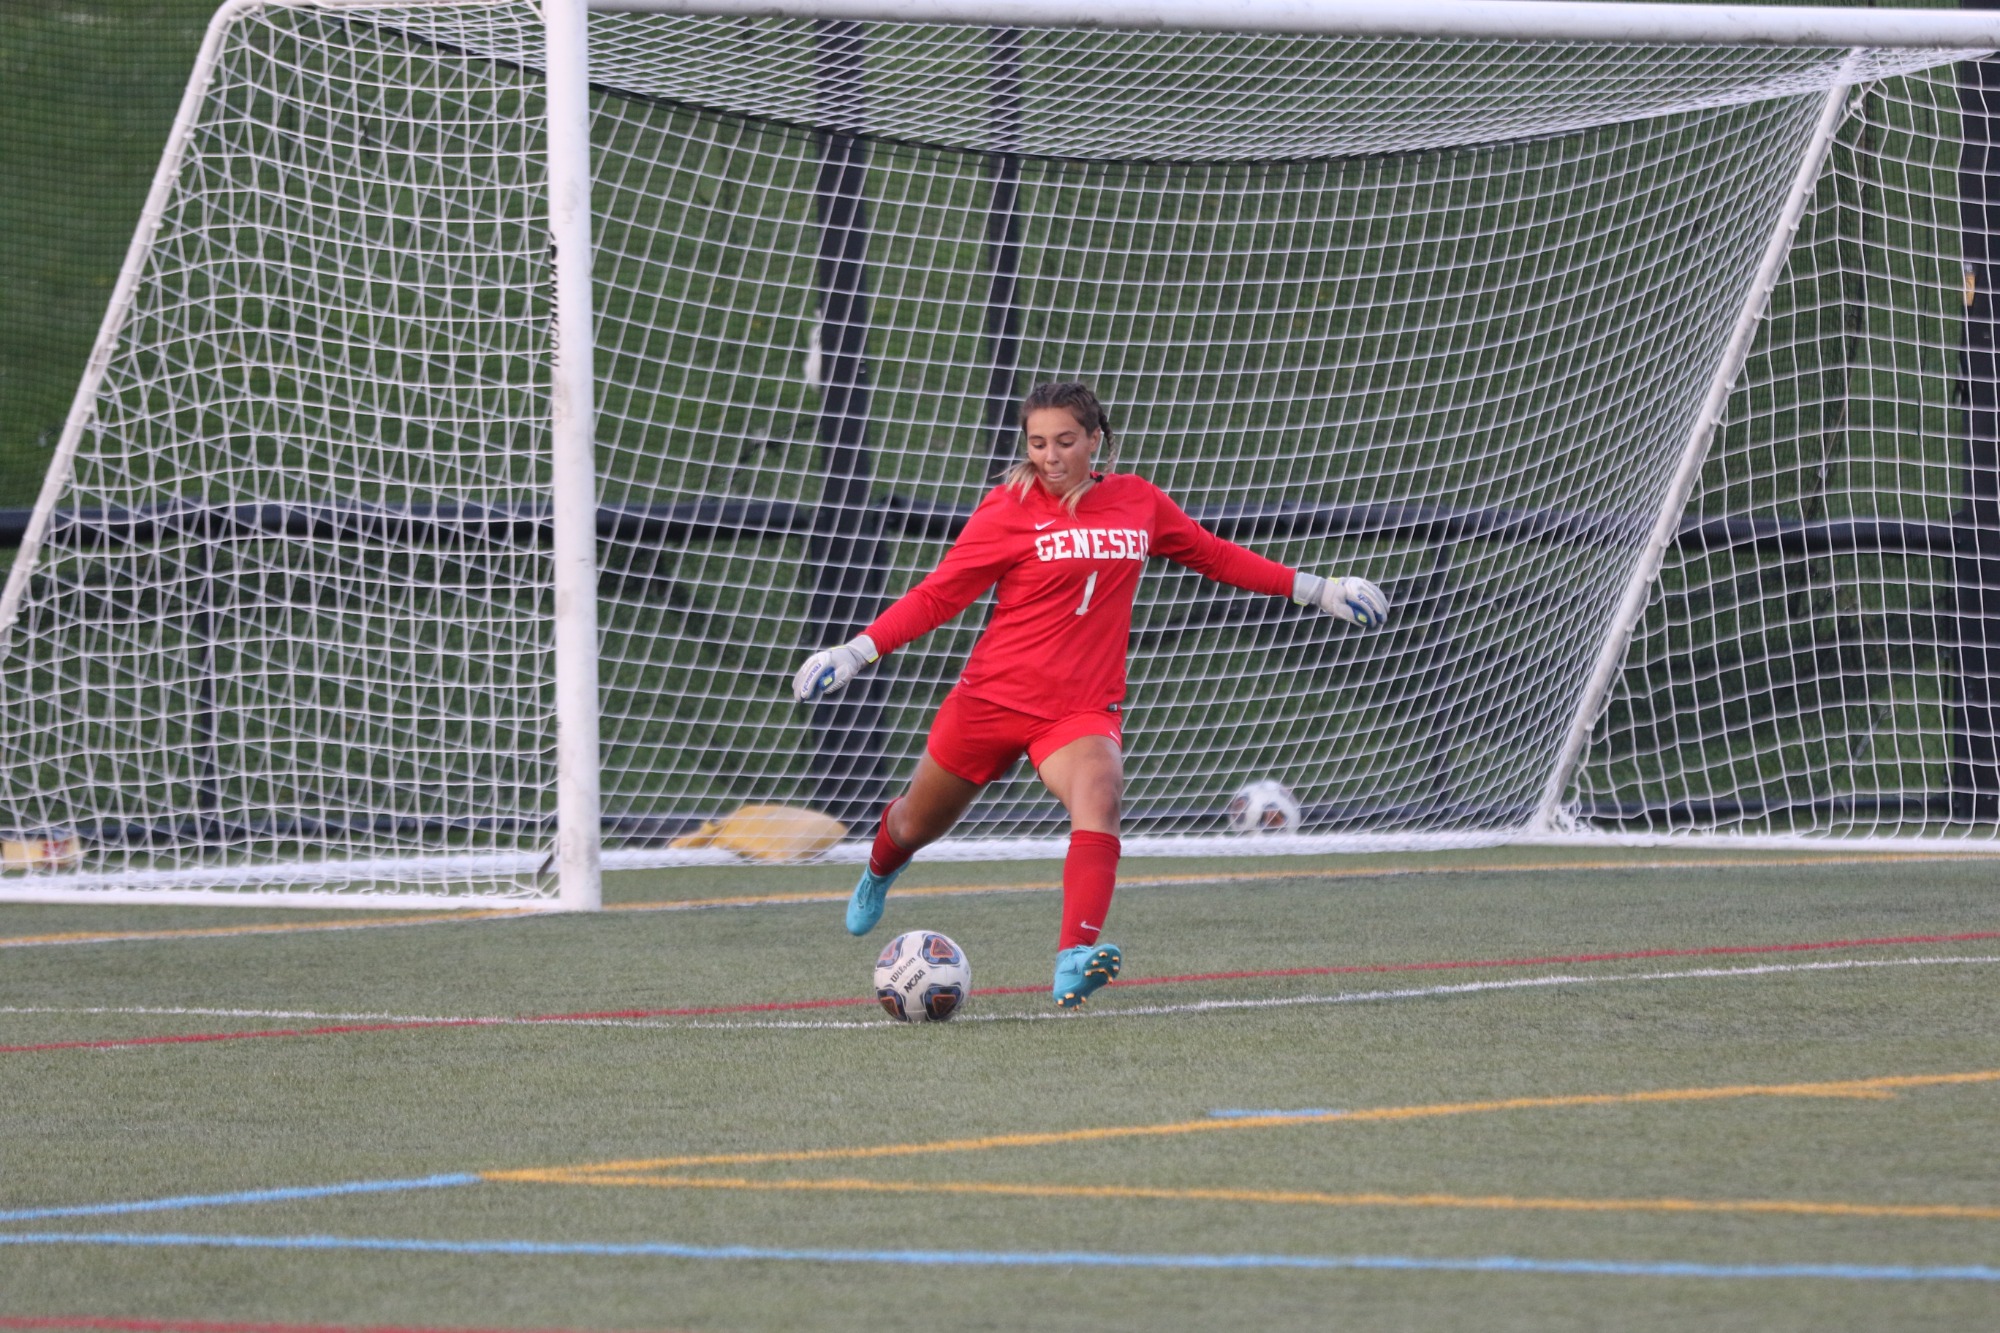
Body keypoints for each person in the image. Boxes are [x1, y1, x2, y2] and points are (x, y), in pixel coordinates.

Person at [792, 381, 1388, 1010]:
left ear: (1095, 439)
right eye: (1037, 443)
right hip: (990, 701)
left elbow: (1214, 556)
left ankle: (1073, 957)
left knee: (1100, 794)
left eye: (1065, 441)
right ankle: (880, 870)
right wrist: (855, 651)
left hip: (1078, 711)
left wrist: (1318, 589)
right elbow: (939, 595)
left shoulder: (1137, 500)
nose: (1050, 456)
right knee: (914, 823)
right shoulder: (1007, 508)